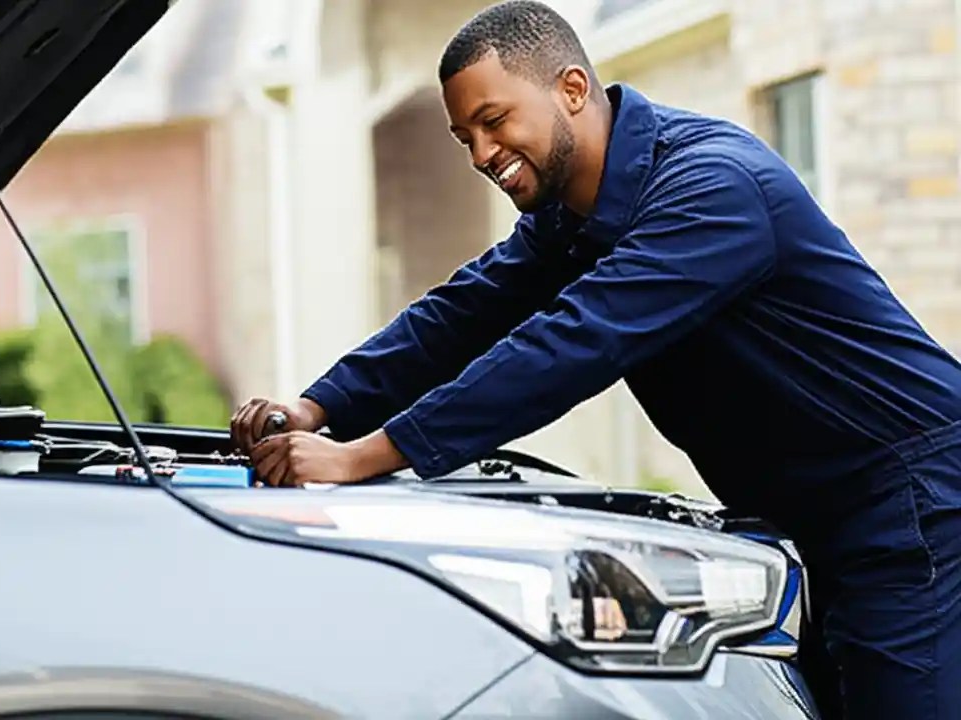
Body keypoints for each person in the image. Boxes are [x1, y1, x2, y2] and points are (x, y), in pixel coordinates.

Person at [229, 1, 961, 717]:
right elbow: (463, 310)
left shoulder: (713, 189)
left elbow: (573, 343)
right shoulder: (570, 217)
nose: (482, 155)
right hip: (829, 518)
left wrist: (364, 457)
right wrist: (319, 406)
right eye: (464, 138)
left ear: (571, 89)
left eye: (494, 122)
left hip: (916, 507)